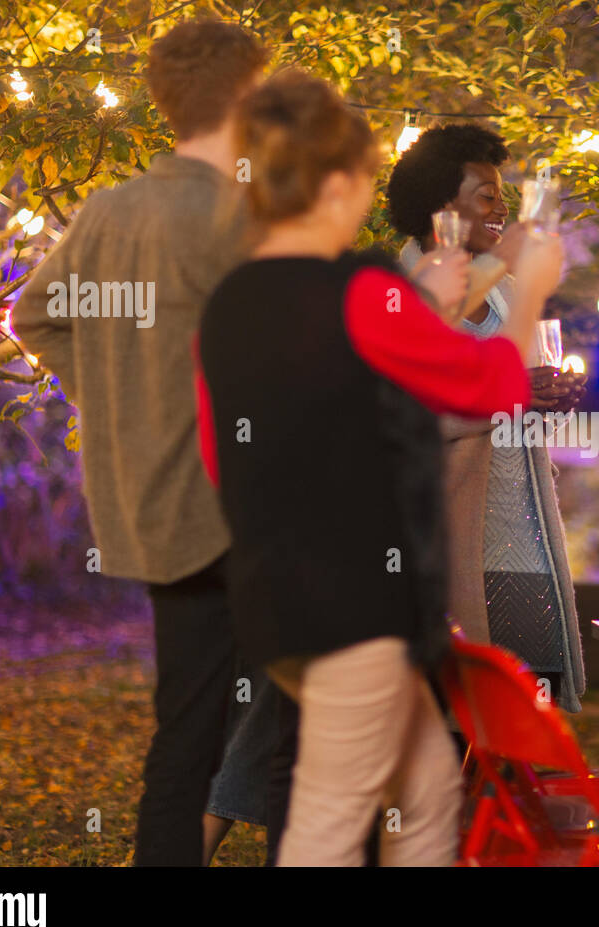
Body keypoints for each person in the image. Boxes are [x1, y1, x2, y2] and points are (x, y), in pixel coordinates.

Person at [196, 68, 563, 865]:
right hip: (350, 601)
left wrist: (429, 306)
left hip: (278, 589)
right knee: (332, 821)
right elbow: (484, 385)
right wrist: (529, 287)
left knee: (426, 789)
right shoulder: (357, 289)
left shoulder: (239, 300)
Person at [12, 19, 284, 866]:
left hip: (159, 514)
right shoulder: (257, 211)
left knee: (187, 734)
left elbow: (34, 316)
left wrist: (114, 398)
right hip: (258, 512)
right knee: (302, 734)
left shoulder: (110, 210)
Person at [386, 123, 587, 711]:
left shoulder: (504, 292)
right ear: (442, 209)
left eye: (502, 194)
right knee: (451, 719)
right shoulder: (401, 293)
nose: (503, 207)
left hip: (523, 538)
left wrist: (548, 398)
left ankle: (505, 807)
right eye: (487, 195)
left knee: (521, 715)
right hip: (445, 539)